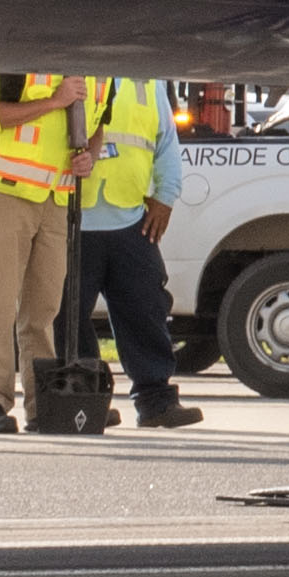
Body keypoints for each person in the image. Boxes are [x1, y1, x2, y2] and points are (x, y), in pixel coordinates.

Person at [0, 70, 83, 434]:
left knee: (43, 309)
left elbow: (97, 126)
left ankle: (42, 404)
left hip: (56, 196)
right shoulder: (19, 58)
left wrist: (90, 155)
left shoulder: (99, 74)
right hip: (7, 190)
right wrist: (55, 101)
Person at [79, 74, 198, 426]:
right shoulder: (77, 71)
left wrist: (166, 196)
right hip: (75, 217)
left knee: (146, 310)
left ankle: (156, 401)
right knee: (69, 317)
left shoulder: (148, 81)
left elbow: (166, 143)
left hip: (132, 217)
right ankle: (84, 401)